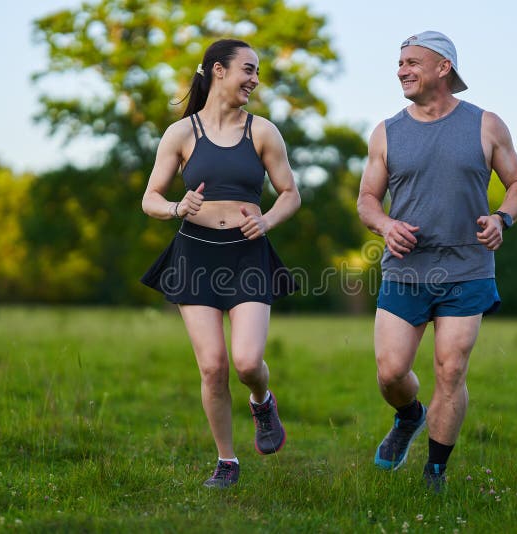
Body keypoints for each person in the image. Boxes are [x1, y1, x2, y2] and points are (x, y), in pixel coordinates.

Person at [357, 31, 517, 492]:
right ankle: (409, 415)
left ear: (443, 67)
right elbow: (367, 200)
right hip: (406, 270)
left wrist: (502, 218)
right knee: (391, 372)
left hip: (467, 269)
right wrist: (385, 226)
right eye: (400, 63)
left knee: (451, 370)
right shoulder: (387, 132)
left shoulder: (485, 125)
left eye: (412, 62)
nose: (401, 70)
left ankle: (435, 472)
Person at [140, 39, 300, 489]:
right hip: (195, 254)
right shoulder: (181, 134)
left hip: (247, 254)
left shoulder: (262, 132)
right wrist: (177, 207)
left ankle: (262, 400)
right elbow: (150, 198)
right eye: (248, 69)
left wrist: (266, 221)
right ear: (218, 70)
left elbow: (291, 194)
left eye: (257, 72)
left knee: (247, 362)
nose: (255, 79)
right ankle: (227, 461)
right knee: (212, 367)